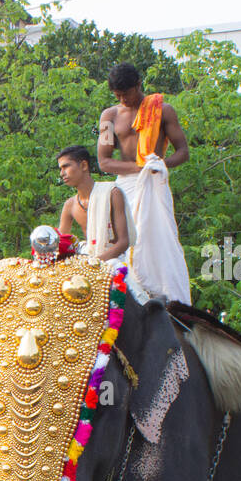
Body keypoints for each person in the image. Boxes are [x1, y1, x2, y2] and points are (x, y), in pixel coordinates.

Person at [97, 63, 191, 304]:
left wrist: (161, 164)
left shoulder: (163, 111)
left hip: (154, 182)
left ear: (138, 85)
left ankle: (170, 298)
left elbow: (183, 152)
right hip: (126, 185)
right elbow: (104, 162)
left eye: (126, 93)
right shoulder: (109, 116)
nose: (123, 99)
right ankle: (131, 297)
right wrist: (138, 168)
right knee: (124, 242)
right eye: (117, 95)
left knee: (160, 241)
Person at [57, 145, 131, 264]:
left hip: (113, 262)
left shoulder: (112, 193)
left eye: (66, 166)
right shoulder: (69, 205)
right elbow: (61, 245)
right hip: (86, 259)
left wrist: (93, 263)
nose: (62, 173)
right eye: (60, 169)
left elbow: (123, 242)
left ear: (84, 165)